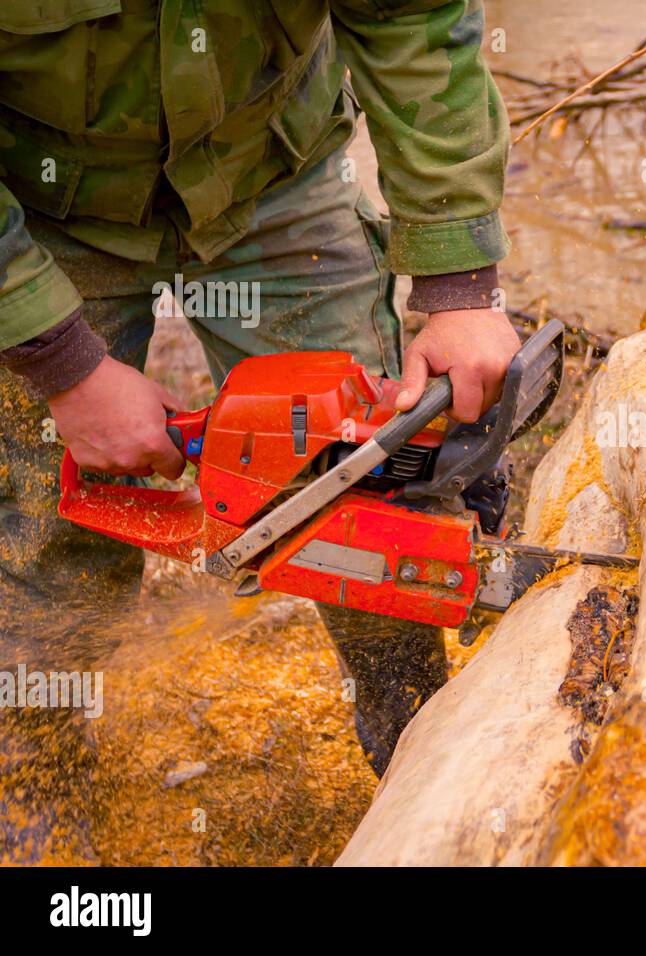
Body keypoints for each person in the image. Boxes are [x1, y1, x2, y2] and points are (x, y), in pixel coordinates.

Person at [0, 0, 519, 861]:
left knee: (365, 477)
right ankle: (29, 786)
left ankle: (417, 753)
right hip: (41, 203)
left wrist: (459, 284)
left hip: (272, 170)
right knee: (41, 534)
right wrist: (61, 362)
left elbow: (414, 22)